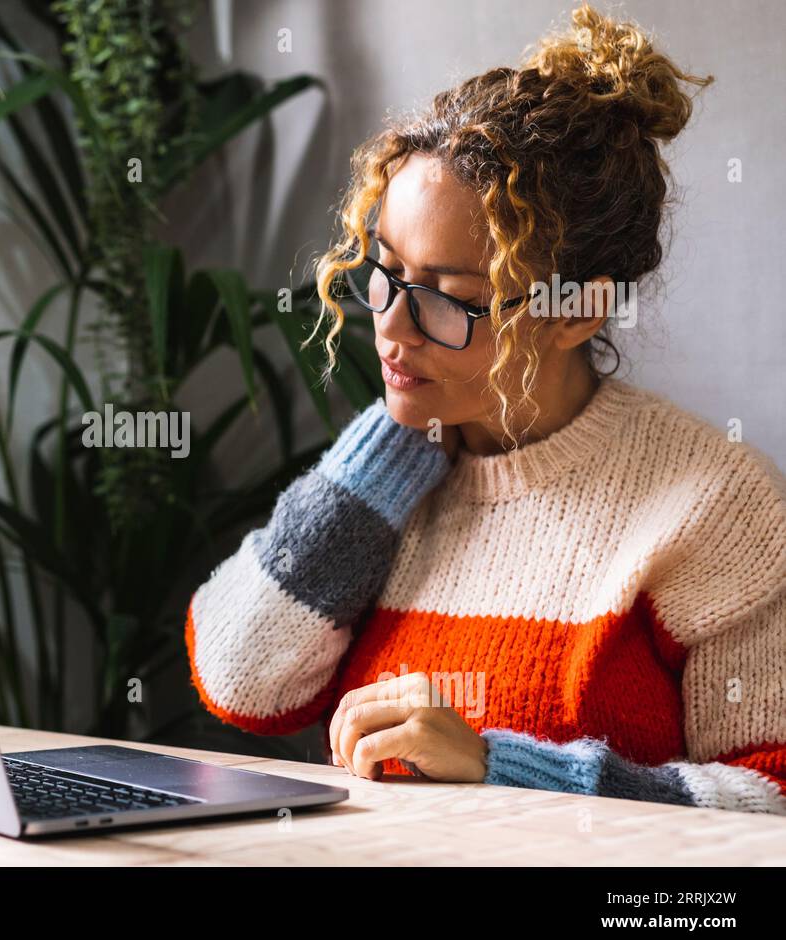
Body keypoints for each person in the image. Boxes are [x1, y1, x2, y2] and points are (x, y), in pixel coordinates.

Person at [184, 3, 786, 813]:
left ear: (576, 311)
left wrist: (501, 768)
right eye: (386, 271)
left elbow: (772, 798)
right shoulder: (396, 473)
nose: (390, 328)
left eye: (447, 297)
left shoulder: (717, 505)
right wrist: (391, 448)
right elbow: (239, 681)